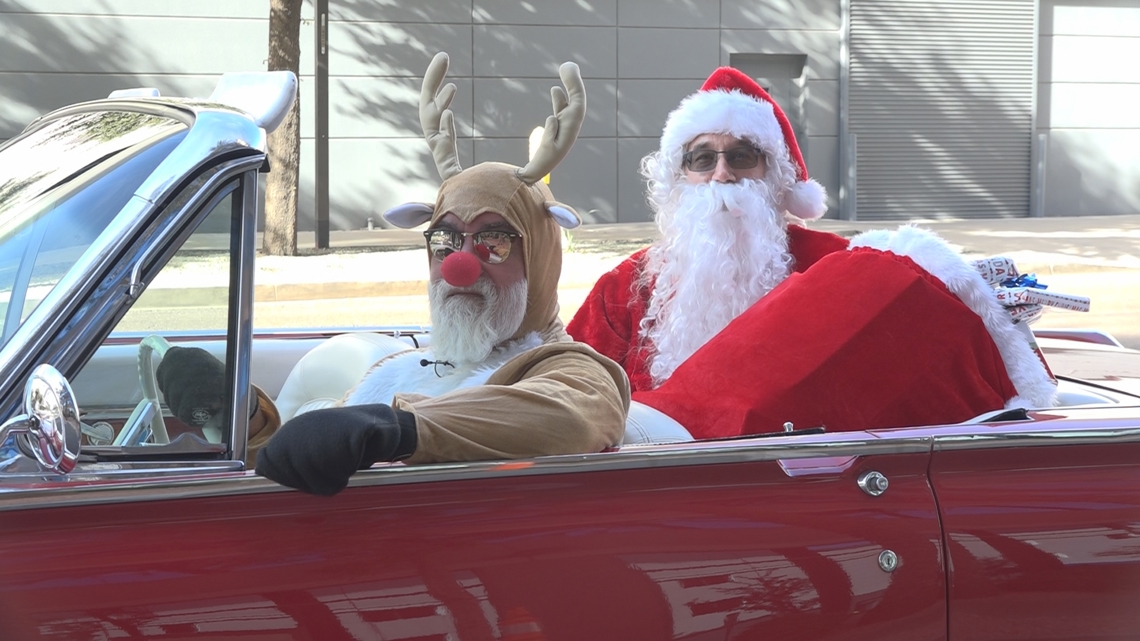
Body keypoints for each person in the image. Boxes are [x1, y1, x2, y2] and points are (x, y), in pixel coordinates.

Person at [158, 52, 629, 495]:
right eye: (444, 239)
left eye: (494, 241)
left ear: (541, 258)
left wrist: (400, 429)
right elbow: (310, 457)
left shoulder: (566, 367)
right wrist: (243, 416)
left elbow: (570, 419)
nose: (460, 267)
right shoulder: (397, 369)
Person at [567, 66, 1057, 439]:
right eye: (701, 158)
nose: (721, 175)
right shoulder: (626, 286)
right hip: (664, 485)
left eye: (741, 156)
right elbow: (566, 384)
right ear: (681, 177)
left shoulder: (834, 266)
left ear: (777, 178)